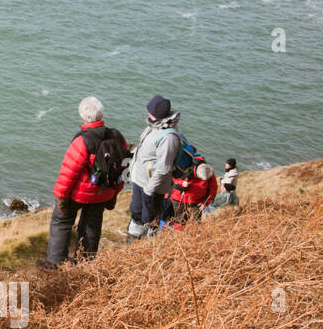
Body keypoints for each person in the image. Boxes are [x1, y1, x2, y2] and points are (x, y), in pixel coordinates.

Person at [37, 96, 128, 270]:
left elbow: (67, 174)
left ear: (82, 117)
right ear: (101, 115)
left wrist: (61, 198)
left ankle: (54, 263)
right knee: (91, 226)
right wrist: (115, 192)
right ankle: (85, 264)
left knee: (61, 222)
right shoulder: (117, 137)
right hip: (103, 192)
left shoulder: (82, 141)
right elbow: (123, 167)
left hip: (78, 194)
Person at [127, 95, 183, 238]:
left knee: (149, 219)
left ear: (156, 114)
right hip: (140, 179)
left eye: (149, 110)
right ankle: (132, 240)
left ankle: (147, 247)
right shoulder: (152, 127)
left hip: (152, 187)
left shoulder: (168, 138)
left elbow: (164, 168)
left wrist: (149, 190)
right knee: (136, 211)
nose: (147, 112)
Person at [171, 160, 218, 225]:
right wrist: (182, 183)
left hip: (197, 202)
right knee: (180, 221)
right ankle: (179, 233)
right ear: (197, 173)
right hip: (179, 199)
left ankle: (194, 233)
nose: (203, 180)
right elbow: (172, 178)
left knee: (196, 222)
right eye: (201, 178)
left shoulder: (208, 171)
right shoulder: (186, 166)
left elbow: (213, 189)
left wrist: (205, 202)